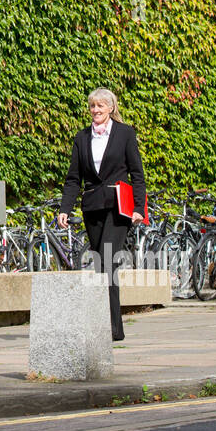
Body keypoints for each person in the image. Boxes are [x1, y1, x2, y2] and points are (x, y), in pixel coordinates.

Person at [57, 88, 146, 341]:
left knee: (109, 259)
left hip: (119, 206)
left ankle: (113, 328)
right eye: (92, 106)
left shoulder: (124, 133)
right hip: (92, 206)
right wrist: (65, 208)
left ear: (110, 108)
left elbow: (137, 174)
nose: (96, 110)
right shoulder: (82, 137)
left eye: (100, 106)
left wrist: (139, 208)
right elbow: (73, 178)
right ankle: (104, 323)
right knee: (100, 264)